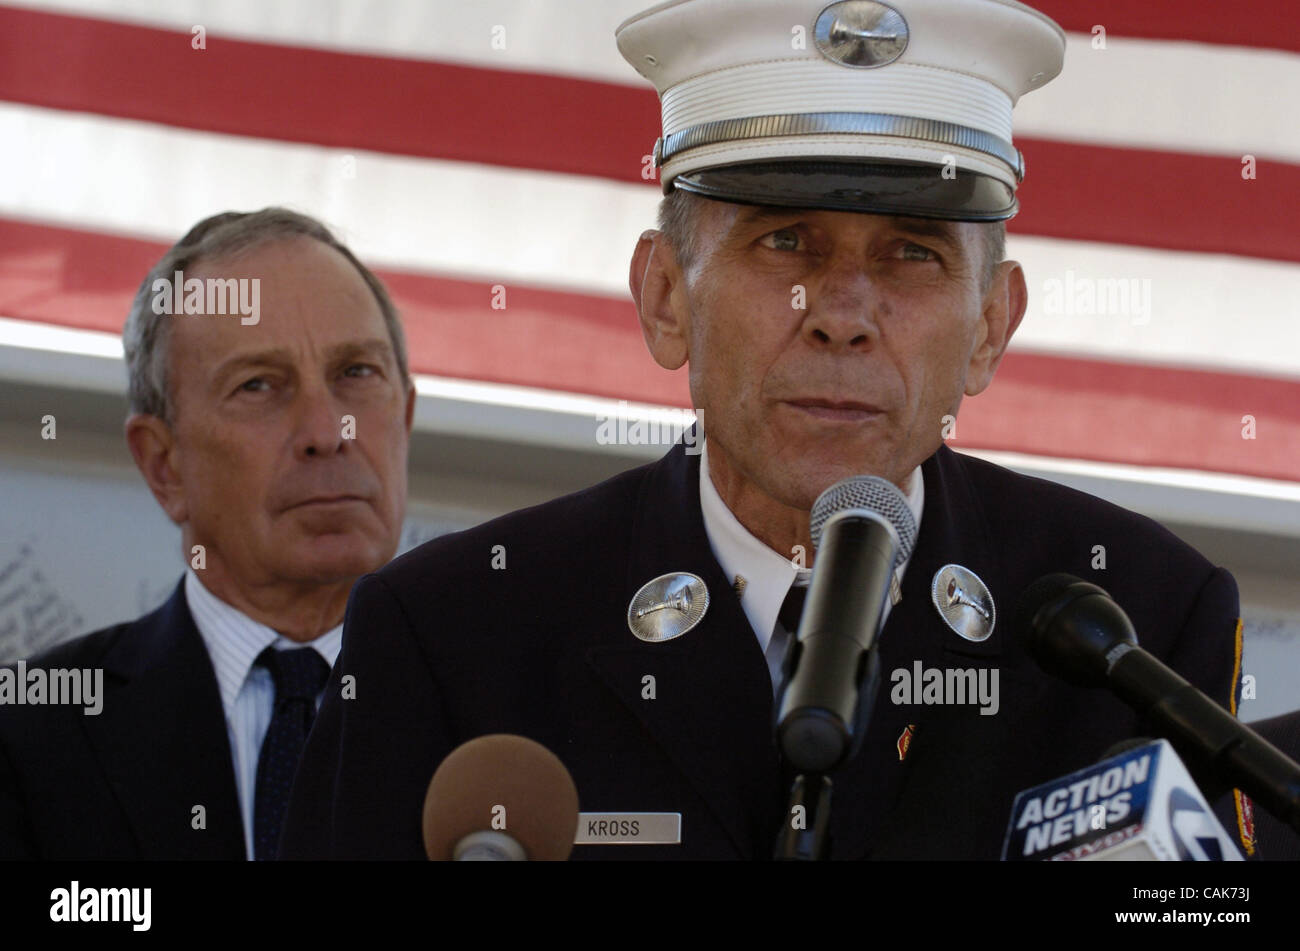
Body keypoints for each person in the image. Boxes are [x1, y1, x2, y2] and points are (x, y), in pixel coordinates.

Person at [281, 0, 1251, 859]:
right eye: (782, 241)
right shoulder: (456, 634)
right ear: (665, 298)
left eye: (912, 255)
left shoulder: (1137, 623)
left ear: (990, 327)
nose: (841, 313)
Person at [0, 208, 416, 859]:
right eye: (259, 385)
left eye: (357, 373)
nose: (328, 431)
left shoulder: (515, 721)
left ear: (407, 414)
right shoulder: (28, 742)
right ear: (164, 465)